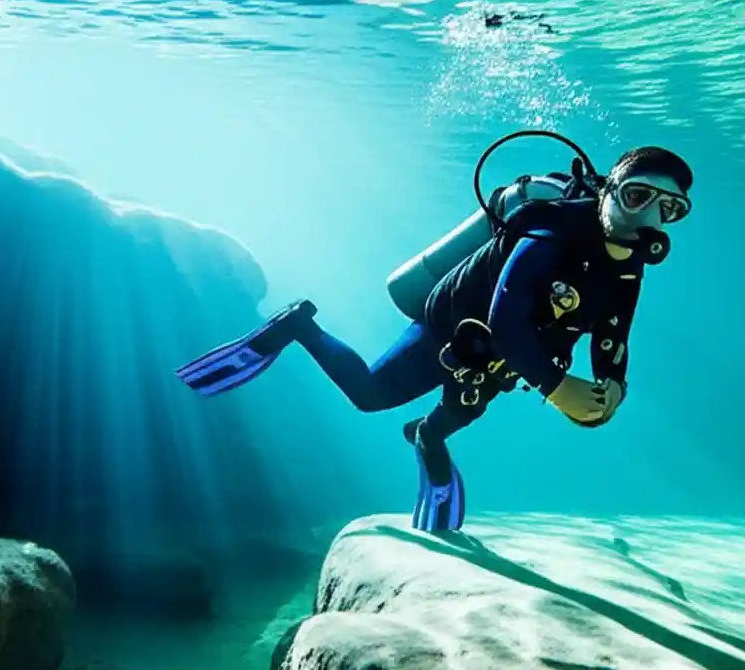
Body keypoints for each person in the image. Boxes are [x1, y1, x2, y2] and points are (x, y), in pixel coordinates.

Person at [176, 142, 694, 532]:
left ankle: (425, 436)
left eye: (668, 209)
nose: (649, 219)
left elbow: (613, 333)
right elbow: (507, 316)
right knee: (371, 395)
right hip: (454, 328)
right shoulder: (548, 227)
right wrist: (558, 387)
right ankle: (298, 325)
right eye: (638, 196)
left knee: (459, 415)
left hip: (504, 358)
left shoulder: (627, 270)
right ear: (608, 190)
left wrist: (613, 386)